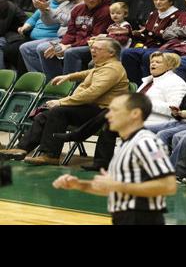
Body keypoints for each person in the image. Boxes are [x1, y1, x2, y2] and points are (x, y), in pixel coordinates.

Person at [0, 38, 129, 165]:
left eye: (97, 49)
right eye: (92, 48)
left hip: (101, 112)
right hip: (91, 108)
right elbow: (90, 72)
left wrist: (62, 101)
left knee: (58, 111)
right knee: (44, 115)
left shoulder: (112, 69)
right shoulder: (104, 67)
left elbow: (91, 94)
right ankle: (22, 148)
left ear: (111, 53)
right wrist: (69, 76)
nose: (92, 51)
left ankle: (50, 155)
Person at [52, 93, 177, 225]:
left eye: (115, 110)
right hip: (124, 218)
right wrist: (79, 185)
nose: (108, 115)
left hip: (142, 218)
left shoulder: (147, 143)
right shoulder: (126, 143)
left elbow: (168, 185)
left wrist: (117, 185)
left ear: (135, 113)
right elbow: (117, 188)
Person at [40, 0, 112, 81]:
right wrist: (61, 44)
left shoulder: (105, 11)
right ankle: (54, 82)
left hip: (94, 45)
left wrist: (69, 46)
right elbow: (71, 32)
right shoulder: (78, 9)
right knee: (45, 49)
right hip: (76, 43)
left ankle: (69, 86)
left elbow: (95, 37)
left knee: (70, 53)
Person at [17, 0, 76, 74]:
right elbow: (35, 19)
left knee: (41, 48)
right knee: (23, 47)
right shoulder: (48, 3)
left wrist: (47, 10)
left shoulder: (67, 5)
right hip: (35, 37)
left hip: (53, 37)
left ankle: (52, 78)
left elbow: (61, 21)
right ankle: (39, 77)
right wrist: (25, 26)